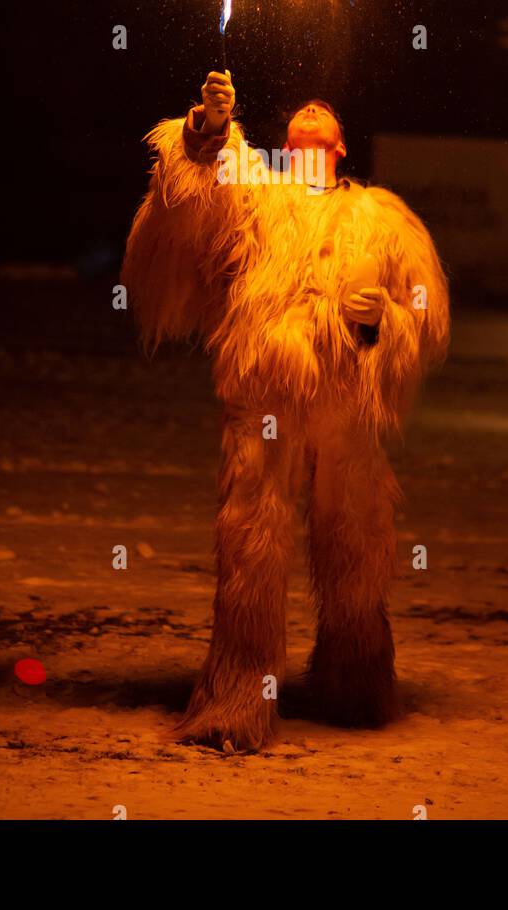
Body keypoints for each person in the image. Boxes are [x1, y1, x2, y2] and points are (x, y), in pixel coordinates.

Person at [123, 71, 449, 750]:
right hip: (263, 390)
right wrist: (205, 134)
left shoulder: (383, 220)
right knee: (250, 541)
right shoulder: (256, 199)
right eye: (300, 110)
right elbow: (184, 218)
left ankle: (355, 678)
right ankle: (236, 696)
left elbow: (426, 319)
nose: (309, 109)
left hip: (345, 399)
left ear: (340, 145)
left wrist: (381, 322)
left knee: (356, 539)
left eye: (323, 109)